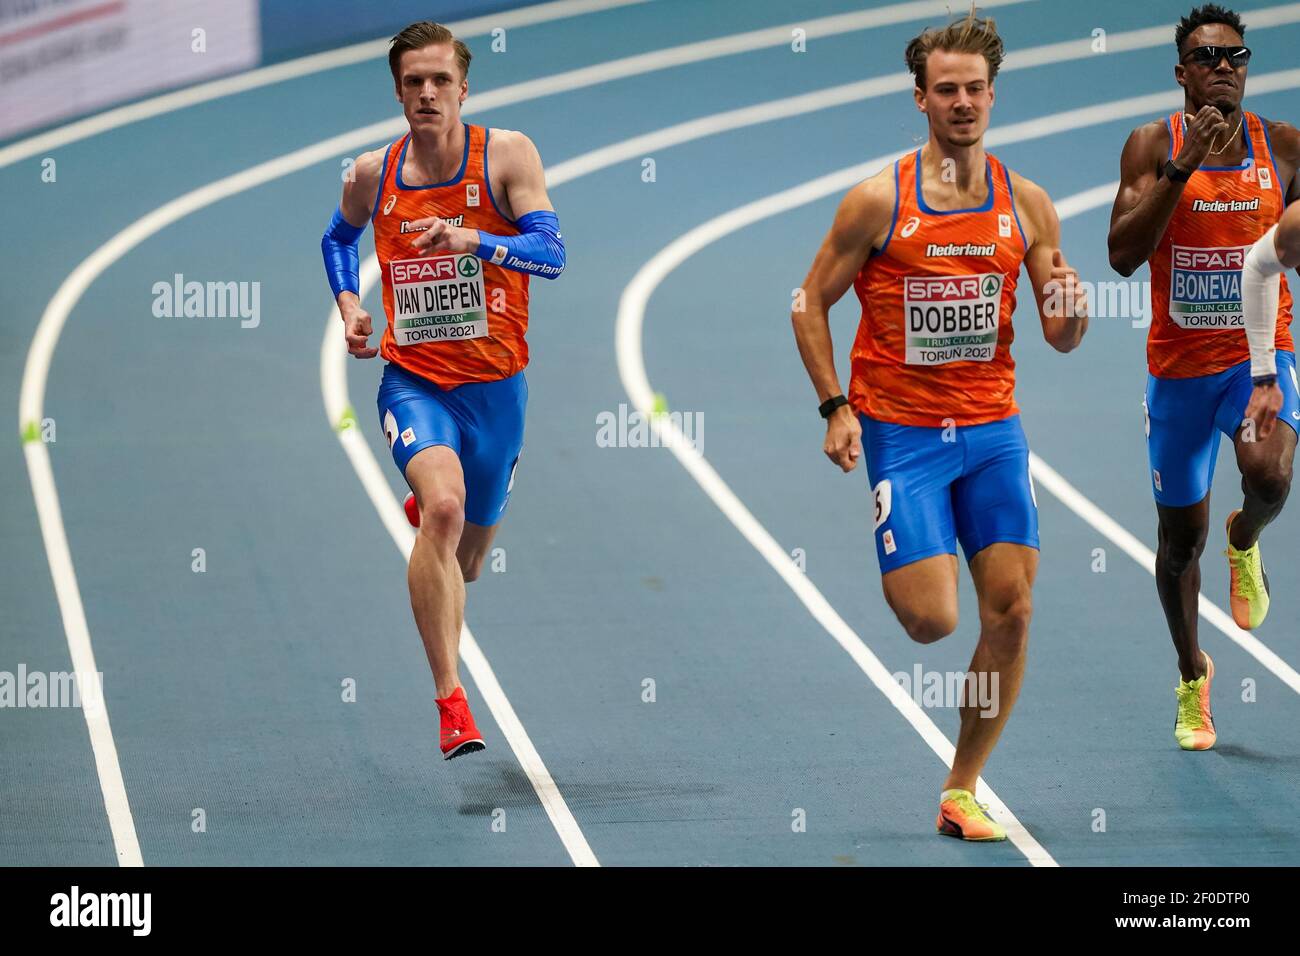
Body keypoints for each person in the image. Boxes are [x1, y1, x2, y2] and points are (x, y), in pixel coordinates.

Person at [791, 11, 1087, 841]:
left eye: (976, 90)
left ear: (993, 96)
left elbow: (1061, 334)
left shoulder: (1025, 203)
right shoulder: (878, 201)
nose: (964, 102)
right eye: (947, 89)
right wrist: (834, 406)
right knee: (932, 620)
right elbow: (808, 301)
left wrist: (1070, 309)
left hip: (993, 428)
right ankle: (905, 525)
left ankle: (962, 787)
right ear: (920, 98)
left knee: (1013, 610)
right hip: (905, 434)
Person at [320, 21, 565, 759]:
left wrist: (478, 241)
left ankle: (434, 507)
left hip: (496, 390)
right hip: (415, 380)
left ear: (464, 87)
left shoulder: (507, 156)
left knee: (466, 561)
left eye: (440, 81)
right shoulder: (372, 173)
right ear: (398, 91)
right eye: (412, 82)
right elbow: (337, 240)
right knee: (447, 508)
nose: (427, 93)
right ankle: (451, 703)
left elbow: (552, 254)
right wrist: (351, 306)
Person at [1107, 3, 1299, 751]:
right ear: (1181, 72)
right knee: (1176, 545)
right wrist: (1184, 166)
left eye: (1236, 56)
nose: (1224, 66)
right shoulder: (1151, 146)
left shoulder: (1281, 150)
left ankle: (1245, 539)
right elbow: (1122, 254)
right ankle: (1193, 675)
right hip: (1179, 374)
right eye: (1207, 56)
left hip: (1260, 357)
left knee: (1271, 478)